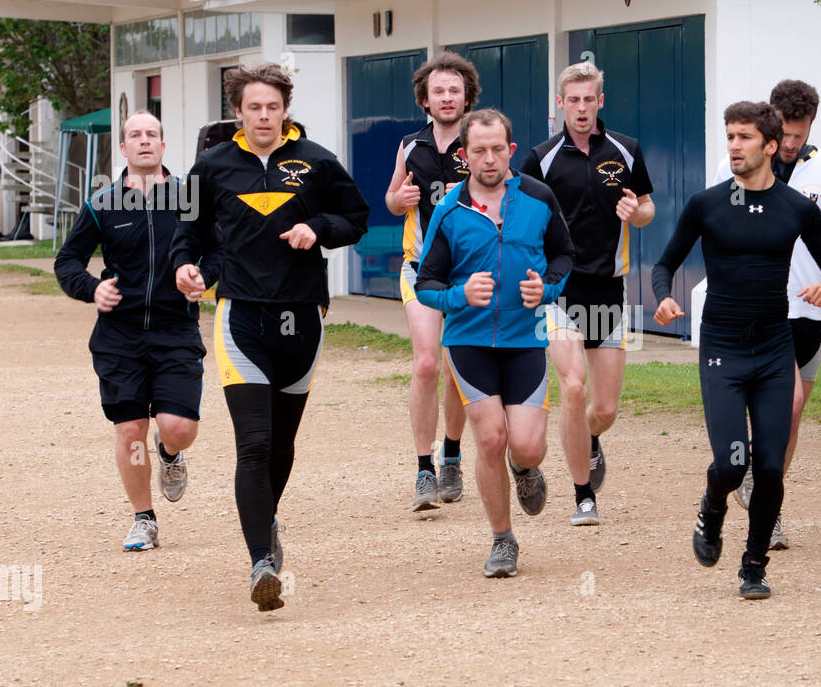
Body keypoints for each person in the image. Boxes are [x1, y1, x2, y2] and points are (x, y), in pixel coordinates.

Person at [172, 63, 370, 611]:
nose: (264, 116)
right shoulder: (210, 167)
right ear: (238, 111)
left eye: (273, 107)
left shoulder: (318, 162)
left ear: (286, 110)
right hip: (241, 319)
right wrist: (185, 267)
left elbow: (357, 217)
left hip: (302, 318)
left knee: (281, 444)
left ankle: (267, 518)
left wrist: (319, 228)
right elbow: (186, 233)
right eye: (254, 107)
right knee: (253, 442)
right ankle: (261, 560)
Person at [653, 102, 821, 599]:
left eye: (744, 138)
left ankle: (754, 564)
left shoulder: (796, 208)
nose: (734, 146)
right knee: (732, 462)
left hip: (774, 348)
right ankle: (712, 503)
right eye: (730, 137)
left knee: (768, 467)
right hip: (722, 347)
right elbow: (665, 263)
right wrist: (665, 297)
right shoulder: (707, 204)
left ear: (769, 145)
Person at [415, 108, 575, 579]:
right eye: (479, 151)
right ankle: (503, 539)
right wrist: (458, 296)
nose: (490, 159)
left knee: (525, 446)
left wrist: (545, 289)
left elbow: (565, 254)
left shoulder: (539, 198)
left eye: (498, 149)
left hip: (525, 339)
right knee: (490, 438)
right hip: (469, 341)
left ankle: (525, 470)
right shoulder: (448, 211)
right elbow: (426, 283)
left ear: (511, 149)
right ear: (464, 155)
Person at [718, 80, 821, 549]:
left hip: (811, 308)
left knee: (791, 417)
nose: (789, 143)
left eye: (798, 135)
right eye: (783, 133)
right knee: (789, 405)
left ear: (811, 128)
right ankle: (754, 482)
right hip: (759, 304)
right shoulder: (737, 162)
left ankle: (769, 506)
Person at [54, 110, 212, 552]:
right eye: (135, 135)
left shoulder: (189, 198)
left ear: (163, 146)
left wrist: (204, 276)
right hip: (119, 337)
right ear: (122, 148)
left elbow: (218, 250)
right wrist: (92, 289)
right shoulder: (102, 204)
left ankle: (171, 453)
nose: (144, 141)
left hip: (175, 331)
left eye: (152, 135)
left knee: (178, 427)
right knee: (130, 430)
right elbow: (67, 261)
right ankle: (144, 519)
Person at [519, 62, 655, 526]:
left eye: (589, 99)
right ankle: (583, 496)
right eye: (572, 99)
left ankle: (588, 439)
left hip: (607, 292)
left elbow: (648, 207)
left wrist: (637, 211)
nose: (581, 107)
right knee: (573, 389)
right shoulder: (540, 157)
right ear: (560, 104)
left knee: (605, 410)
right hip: (557, 292)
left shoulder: (626, 150)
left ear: (601, 100)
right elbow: (519, 216)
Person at [385, 52, 478, 511]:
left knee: (454, 367)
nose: (446, 98)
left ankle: (453, 454)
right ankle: (424, 468)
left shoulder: (479, 142)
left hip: (469, 273)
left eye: (454, 91)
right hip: (421, 268)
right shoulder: (409, 145)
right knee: (425, 363)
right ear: (425, 98)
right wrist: (400, 197)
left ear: (467, 97)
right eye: (438, 91)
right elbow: (391, 199)